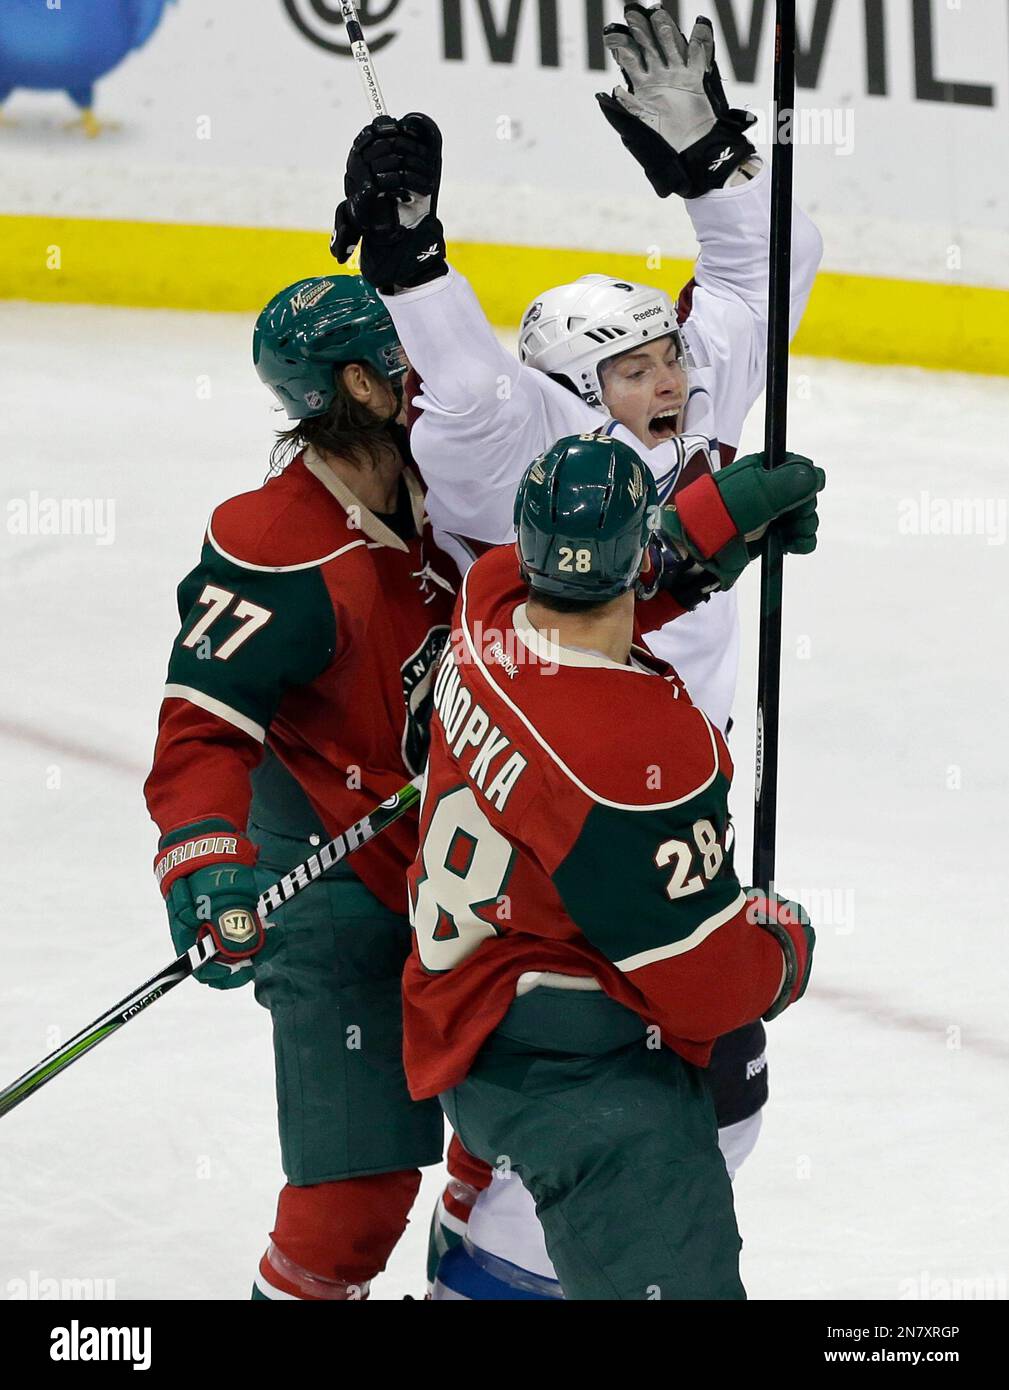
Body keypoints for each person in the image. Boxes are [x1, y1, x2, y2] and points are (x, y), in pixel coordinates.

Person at [332, 3, 823, 1294]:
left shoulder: (661, 427)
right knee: (673, 1121)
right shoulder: (518, 467)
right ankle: (485, 1266)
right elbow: (469, 386)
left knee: (717, 1118)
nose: (668, 382)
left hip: (674, 789)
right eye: (630, 371)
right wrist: (411, 260)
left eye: (666, 355)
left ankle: (487, 1226)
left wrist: (709, 158)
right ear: (568, 399)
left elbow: (766, 271)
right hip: (592, 804)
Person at [401, 435, 820, 1300]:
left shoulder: (486, 603)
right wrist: (781, 952)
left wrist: (715, 523)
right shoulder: (634, 759)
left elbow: (617, 580)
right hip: (584, 1078)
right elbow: (704, 985)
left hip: (465, 1014)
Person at [143, 274, 459, 1301]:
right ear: (363, 385)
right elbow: (202, 725)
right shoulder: (275, 545)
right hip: (326, 867)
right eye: (402, 351)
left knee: (531, 1127)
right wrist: (204, 857)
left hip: (470, 863)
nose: (432, 364)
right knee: (357, 1187)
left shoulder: (457, 478)